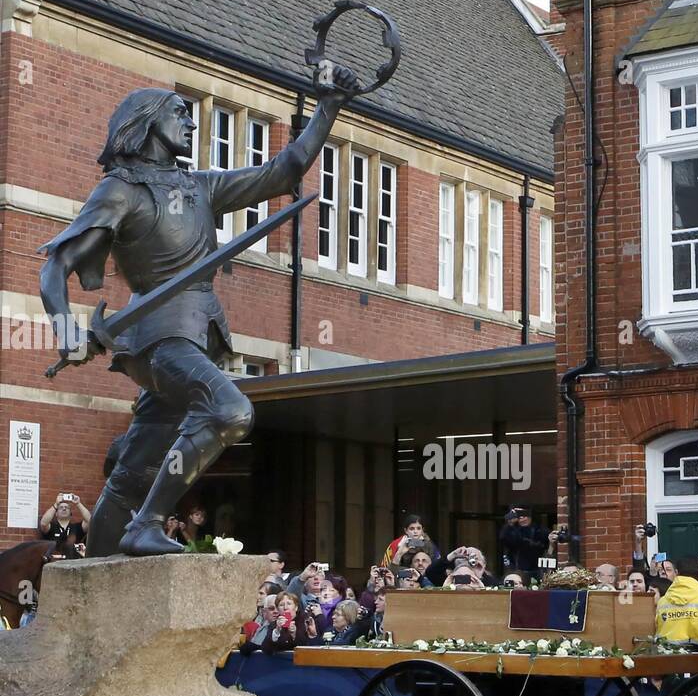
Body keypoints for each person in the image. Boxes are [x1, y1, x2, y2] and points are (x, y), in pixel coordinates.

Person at [40, 67, 359, 558]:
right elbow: (56, 266)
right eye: (179, 114)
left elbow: (287, 168)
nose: (190, 125)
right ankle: (146, 523)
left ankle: (89, 572)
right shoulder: (120, 189)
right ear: (147, 123)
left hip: (193, 335)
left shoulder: (201, 187)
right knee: (230, 411)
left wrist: (329, 106)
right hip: (159, 339)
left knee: (134, 473)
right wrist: (68, 333)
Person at [500, 507, 550, 577]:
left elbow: (544, 544)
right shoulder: (511, 530)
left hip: (536, 570)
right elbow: (505, 539)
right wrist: (511, 523)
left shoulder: (539, 530)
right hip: (516, 569)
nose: (522, 518)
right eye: (519, 516)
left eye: (525, 515)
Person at [426, 546, 498, 588]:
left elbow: (498, 588)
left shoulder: (488, 583)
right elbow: (430, 572)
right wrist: (452, 555)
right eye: (464, 558)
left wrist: (480, 573)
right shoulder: (451, 580)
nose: (467, 562)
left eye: (473, 558)